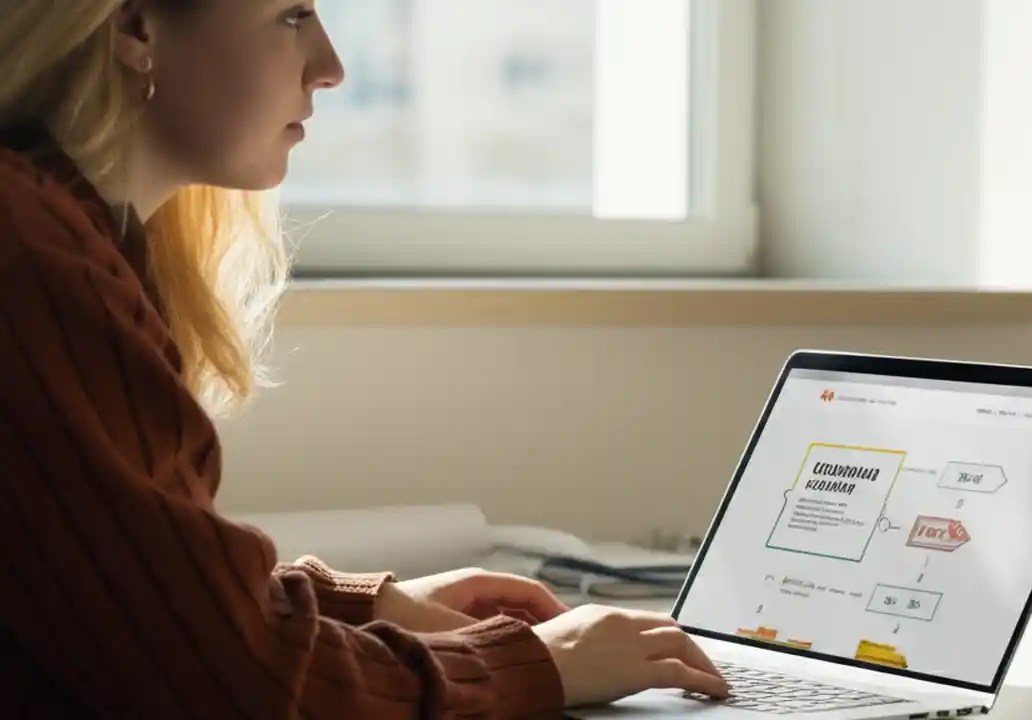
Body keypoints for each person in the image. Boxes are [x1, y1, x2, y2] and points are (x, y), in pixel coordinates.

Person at [0, 1, 730, 717]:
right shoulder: (31, 256)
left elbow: (126, 597)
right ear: (135, 26)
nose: (331, 68)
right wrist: (540, 664)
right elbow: (243, 685)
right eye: (291, 16)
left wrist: (370, 607)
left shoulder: (69, 241)